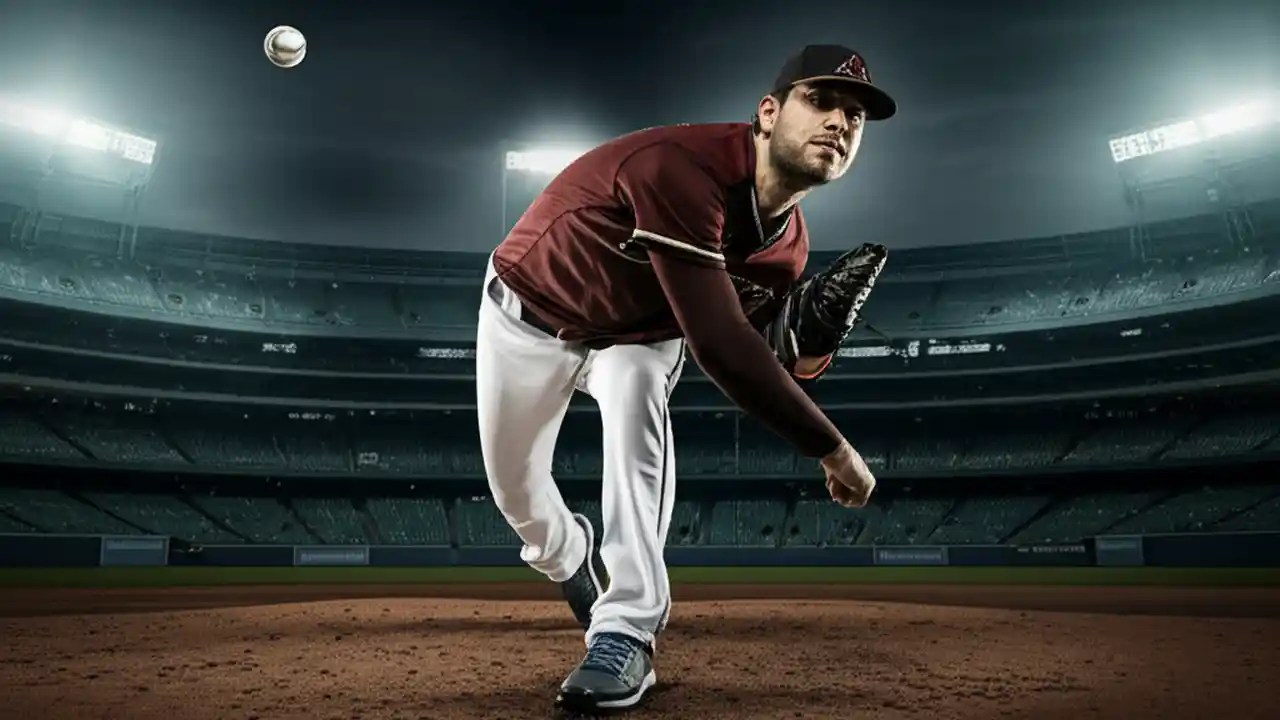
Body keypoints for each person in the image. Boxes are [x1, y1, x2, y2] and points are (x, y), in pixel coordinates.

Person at [475, 44, 896, 716]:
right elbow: (723, 346)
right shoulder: (681, 167)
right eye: (820, 101)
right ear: (768, 112)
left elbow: (767, 358)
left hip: (634, 339)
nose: (841, 122)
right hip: (525, 314)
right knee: (515, 490)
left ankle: (626, 629)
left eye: (855, 116)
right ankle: (568, 555)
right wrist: (833, 447)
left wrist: (810, 348)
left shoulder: (789, 250)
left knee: (640, 392)